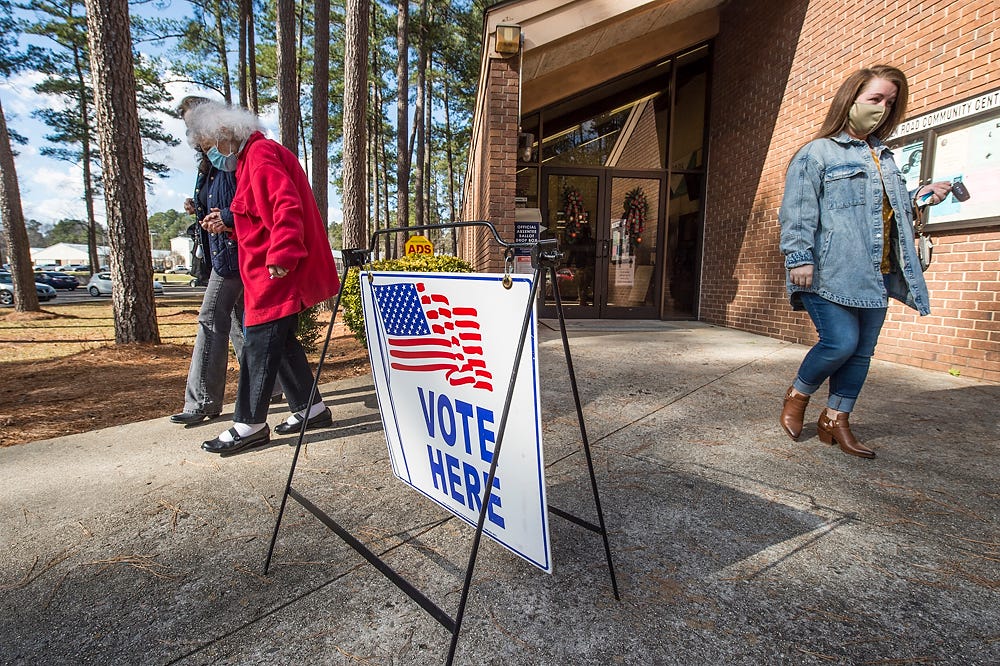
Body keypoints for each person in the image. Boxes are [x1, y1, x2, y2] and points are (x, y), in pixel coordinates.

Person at [778, 65, 952, 459]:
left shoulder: (886, 157)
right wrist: (799, 256)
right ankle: (798, 395)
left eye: (890, 102)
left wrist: (920, 196)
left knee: (861, 353)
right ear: (850, 100)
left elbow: (882, 212)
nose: (883, 108)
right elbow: (798, 210)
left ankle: (836, 419)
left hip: (878, 272)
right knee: (840, 343)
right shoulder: (816, 152)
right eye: (875, 99)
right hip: (828, 270)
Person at [183, 102, 340, 454]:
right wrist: (230, 223)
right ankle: (311, 409)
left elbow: (286, 206)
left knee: (258, 341)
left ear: (226, 135)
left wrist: (283, 254)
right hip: (266, 267)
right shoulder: (252, 158)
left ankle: (249, 423)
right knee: (279, 341)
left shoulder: (260, 154)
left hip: (275, 269)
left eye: (210, 143)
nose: (211, 152)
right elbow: (258, 212)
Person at [169, 96, 247, 425]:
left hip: (233, 253)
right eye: (189, 128)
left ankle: (202, 400)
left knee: (210, 319)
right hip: (224, 252)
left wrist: (225, 217)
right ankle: (268, 386)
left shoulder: (229, 154)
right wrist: (198, 207)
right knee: (242, 325)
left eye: (194, 125)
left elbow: (245, 202)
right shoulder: (209, 162)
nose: (192, 135)